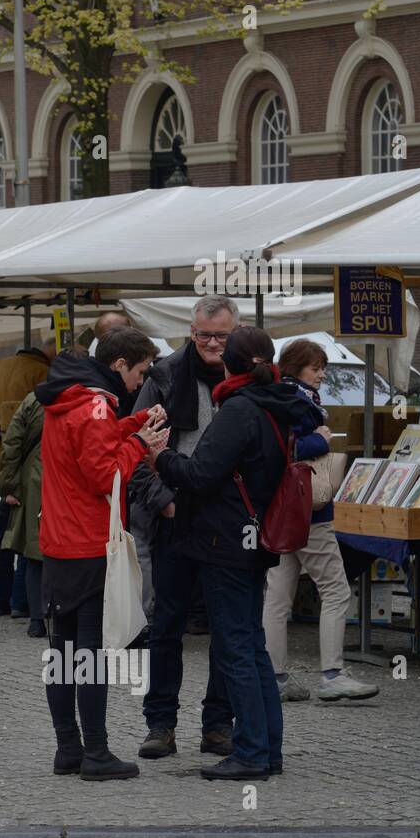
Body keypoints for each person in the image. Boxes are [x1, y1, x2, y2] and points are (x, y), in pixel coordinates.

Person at [150, 327, 319, 780]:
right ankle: (267, 748)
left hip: (224, 540)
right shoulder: (277, 404)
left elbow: (201, 474)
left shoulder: (239, 409)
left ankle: (251, 753)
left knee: (236, 649)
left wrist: (160, 457)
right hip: (254, 536)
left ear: (230, 365)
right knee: (251, 646)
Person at [35, 329, 166, 781]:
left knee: (62, 653)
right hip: (89, 544)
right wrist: (141, 444)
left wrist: (136, 422)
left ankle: (68, 749)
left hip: (58, 543)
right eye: (140, 372)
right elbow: (105, 473)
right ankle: (96, 753)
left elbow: (94, 445)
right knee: (90, 654)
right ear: (119, 365)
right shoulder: (95, 405)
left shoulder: (68, 399)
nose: (140, 381)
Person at [130, 294, 237, 762]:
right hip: (175, 518)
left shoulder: (244, 375)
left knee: (226, 628)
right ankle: (161, 724)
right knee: (167, 626)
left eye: (221, 336)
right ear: (191, 332)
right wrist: (166, 504)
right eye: (203, 335)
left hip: (227, 521)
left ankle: (218, 725)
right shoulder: (165, 375)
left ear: (234, 334)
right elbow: (135, 449)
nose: (212, 343)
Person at [265, 338, 379, 703]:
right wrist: (321, 440)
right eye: (315, 368)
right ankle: (333, 674)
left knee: (277, 597)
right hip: (309, 511)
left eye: (322, 368)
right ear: (296, 368)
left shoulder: (273, 397)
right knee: (335, 590)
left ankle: (275, 677)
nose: (322, 375)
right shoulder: (300, 402)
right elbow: (290, 450)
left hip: (279, 511)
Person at [0, 336, 55, 619]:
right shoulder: (43, 373)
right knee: (27, 535)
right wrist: (6, 428)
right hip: (29, 469)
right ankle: (20, 601)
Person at [0, 388, 46, 638]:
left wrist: (9, 486)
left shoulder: (34, 399)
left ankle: (36, 619)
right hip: (65, 482)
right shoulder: (89, 399)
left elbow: (12, 442)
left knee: (34, 553)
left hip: (34, 480)